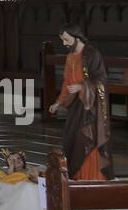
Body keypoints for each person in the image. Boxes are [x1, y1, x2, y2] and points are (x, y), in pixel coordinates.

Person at [48, 25, 114, 180]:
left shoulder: (92, 54)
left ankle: (93, 176)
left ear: (77, 37)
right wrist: (59, 102)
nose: (64, 43)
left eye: (66, 39)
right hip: (76, 105)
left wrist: (81, 86)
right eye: (63, 40)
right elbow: (66, 82)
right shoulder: (70, 57)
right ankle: (77, 175)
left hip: (91, 106)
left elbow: (101, 79)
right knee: (71, 136)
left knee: (87, 138)